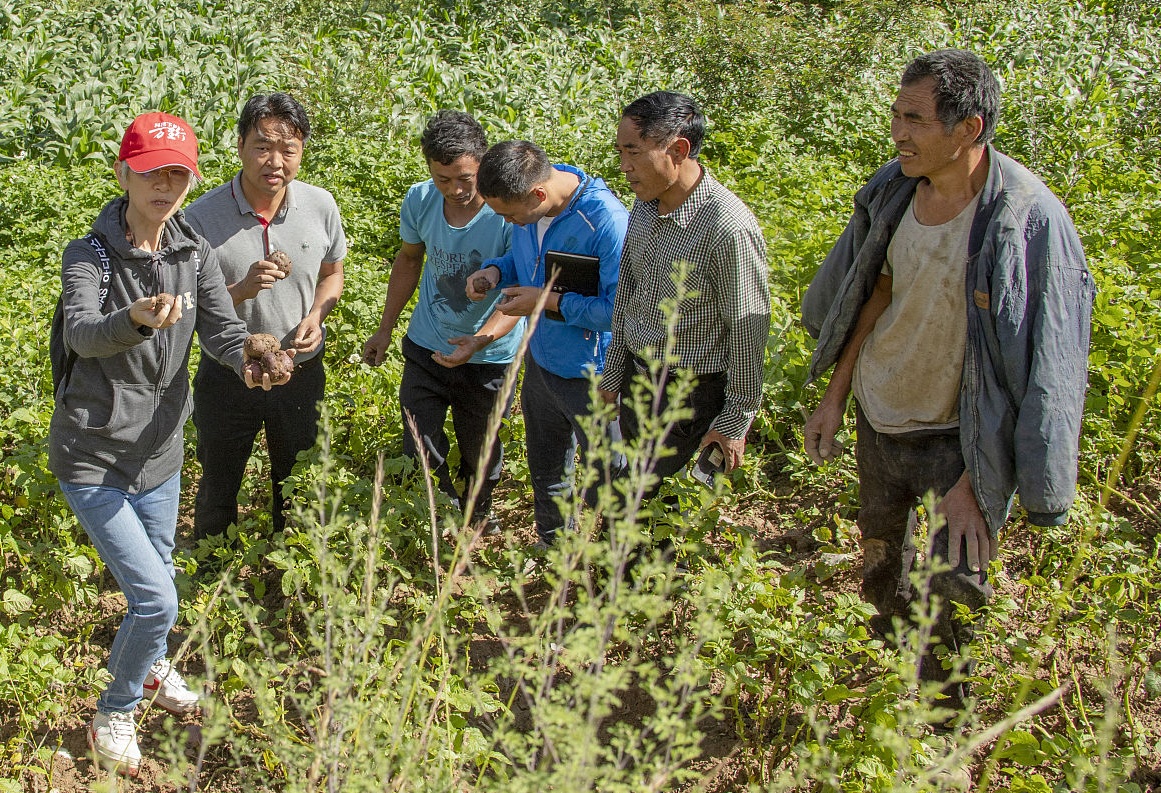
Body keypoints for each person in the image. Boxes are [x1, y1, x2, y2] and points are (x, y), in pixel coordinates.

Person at [800, 49, 1093, 708]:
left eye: (916, 118)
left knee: (957, 586)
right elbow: (876, 290)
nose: (898, 132)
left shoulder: (1024, 222)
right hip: (883, 414)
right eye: (896, 115)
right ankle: (887, 676)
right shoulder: (896, 189)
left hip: (960, 437)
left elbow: (1041, 371)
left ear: (970, 129)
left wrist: (976, 482)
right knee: (880, 553)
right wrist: (836, 395)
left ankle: (941, 723)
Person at [49, 113, 293, 775]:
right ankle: (116, 709)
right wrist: (133, 320)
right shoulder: (89, 255)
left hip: (159, 452)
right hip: (93, 454)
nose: (164, 183)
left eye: (177, 173)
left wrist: (252, 346)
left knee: (157, 577)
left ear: (191, 180)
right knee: (158, 597)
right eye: (151, 170)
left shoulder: (195, 254)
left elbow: (218, 330)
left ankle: (152, 668)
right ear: (123, 173)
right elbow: (81, 334)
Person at [186, 93, 347, 538]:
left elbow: (332, 275)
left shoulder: (320, 206)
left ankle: (291, 577)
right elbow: (187, 308)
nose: (275, 161)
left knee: (296, 483)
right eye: (262, 147)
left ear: (301, 152)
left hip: (300, 370)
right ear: (240, 146)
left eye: (288, 149)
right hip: (226, 375)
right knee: (218, 482)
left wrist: (317, 314)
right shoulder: (200, 219)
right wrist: (241, 289)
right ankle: (209, 577)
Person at [598, 92, 770, 508]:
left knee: (641, 509)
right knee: (633, 501)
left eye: (634, 152)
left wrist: (735, 420)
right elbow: (629, 296)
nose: (624, 167)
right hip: (641, 382)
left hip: (688, 398)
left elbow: (748, 328)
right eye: (620, 152)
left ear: (678, 150)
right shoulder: (644, 206)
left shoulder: (727, 227)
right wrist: (614, 374)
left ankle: (632, 573)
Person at [360, 111, 521, 531]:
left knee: (480, 444)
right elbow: (409, 260)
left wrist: (481, 340)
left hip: (489, 357)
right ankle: (441, 509)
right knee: (420, 438)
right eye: (443, 179)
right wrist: (385, 328)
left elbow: (519, 293)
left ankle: (478, 511)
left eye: (465, 178)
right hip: (428, 343)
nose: (455, 189)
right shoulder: (420, 200)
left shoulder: (508, 212)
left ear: (483, 163)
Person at [465, 141, 629, 546]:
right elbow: (524, 261)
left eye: (510, 215)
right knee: (547, 461)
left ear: (538, 194)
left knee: (608, 475)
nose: (510, 224)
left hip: (592, 373)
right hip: (541, 359)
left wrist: (547, 301)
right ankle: (554, 543)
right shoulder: (530, 211)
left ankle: (620, 558)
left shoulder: (605, 222)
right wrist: (493, 272)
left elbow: (618, 311)